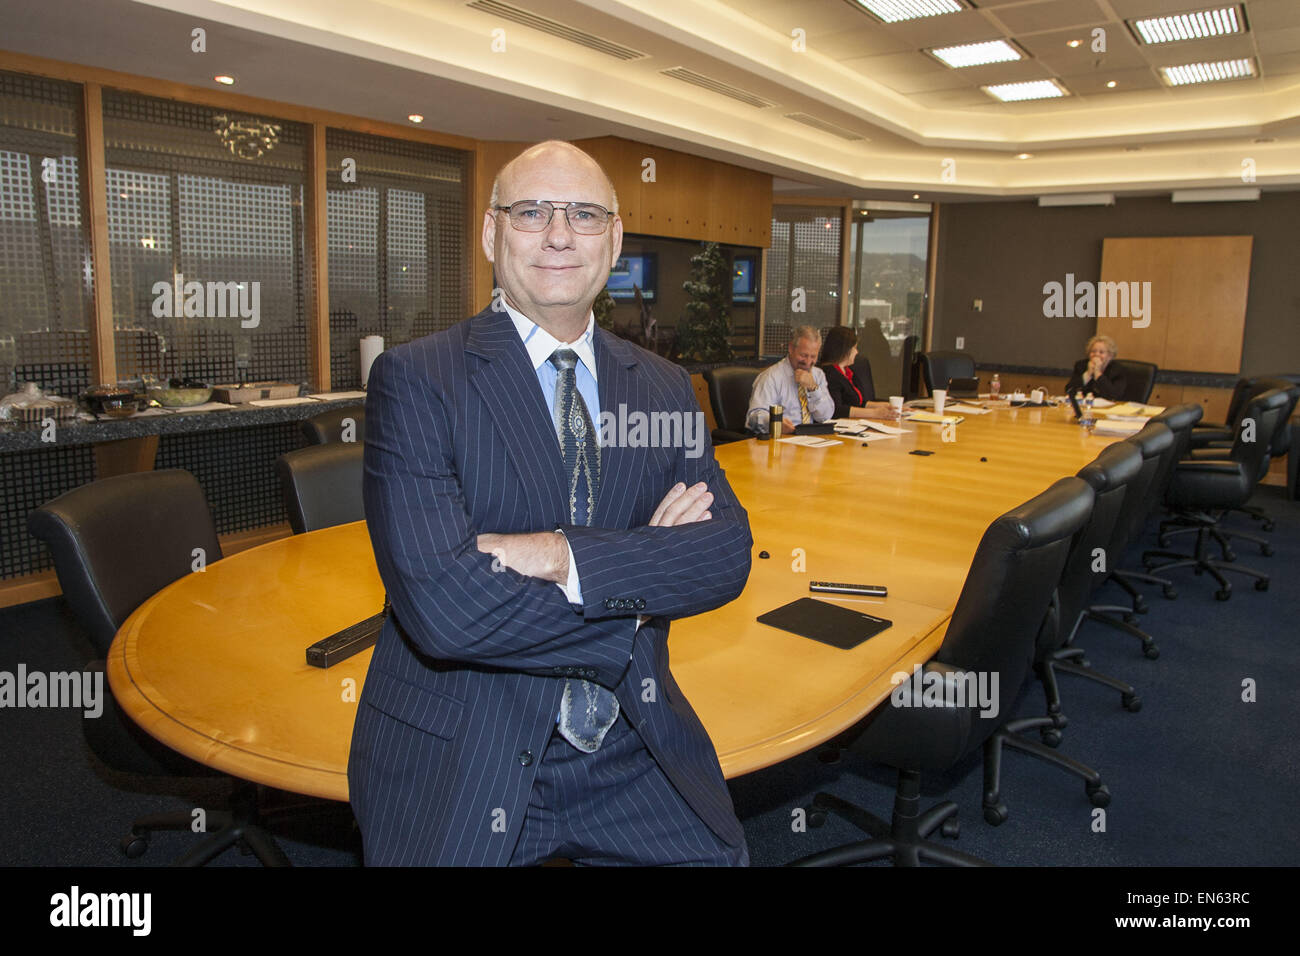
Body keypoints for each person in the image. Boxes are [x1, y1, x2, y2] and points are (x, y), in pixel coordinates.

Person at [348, 141, 753, 866]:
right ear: (490, 233)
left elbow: (724, 553)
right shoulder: (418, 380)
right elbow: (445, 612)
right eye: (532, 212)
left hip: (630, 744)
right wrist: (641, 586)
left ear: (615, 238)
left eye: (585, 215)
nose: (559, 234)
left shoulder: (661, 386)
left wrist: (560, 555)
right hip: (469, 741)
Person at [746, 326, 835, 434]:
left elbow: (825, 416)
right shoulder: (771, 377)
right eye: (803, 355)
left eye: (813, 357)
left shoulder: (818, 375)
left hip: (810, 440)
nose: (808, 362)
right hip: (781, 439)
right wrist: (775, 422)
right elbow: (754, 417)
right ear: (791, 349)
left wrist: (813, 389)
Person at [817, 325, 897, 421]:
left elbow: (858, 403)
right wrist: (874, 413)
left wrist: (887, 406)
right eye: (854, 348)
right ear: (845, 350)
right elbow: (837, 410)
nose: (857, 352)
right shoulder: (830, 373)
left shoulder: (847, 371)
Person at [1065, 334, 1129, 401]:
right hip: (1084, 406)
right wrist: (1088, 374)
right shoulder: (1081, 366)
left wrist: (1098, 373)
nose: (1096, 354)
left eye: (1101, 352)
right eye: (1093, 351)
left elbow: (1114, 395)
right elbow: (1069, 390)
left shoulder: (1118, 370)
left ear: (1110, 356)